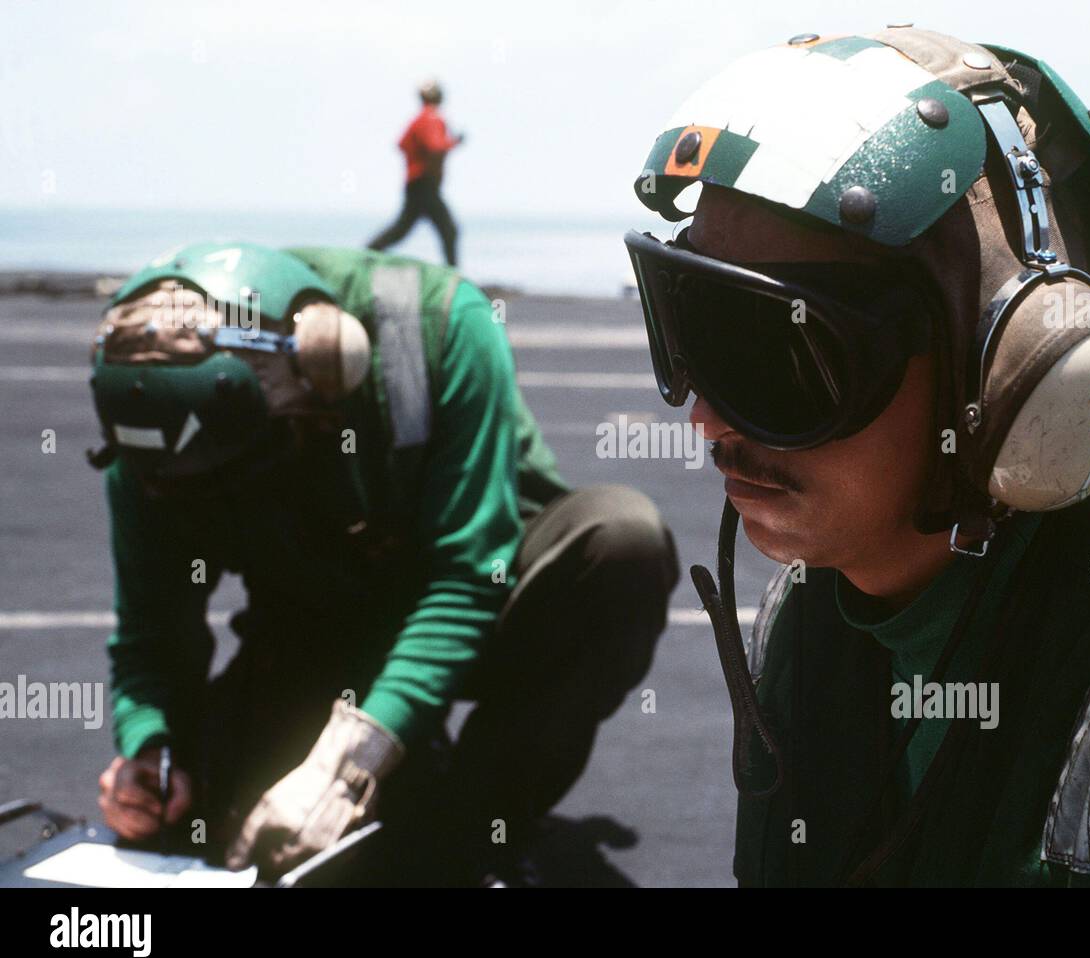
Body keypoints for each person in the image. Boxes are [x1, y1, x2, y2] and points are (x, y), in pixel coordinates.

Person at [624, 26, 1090, 886]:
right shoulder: (813, 620)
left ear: (1007, 363)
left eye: (778, 357)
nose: (707, 420)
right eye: (688, 331)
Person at [90, 241, 678, 885]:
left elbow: (466, 576)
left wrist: (351, 760)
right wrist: (151, 750)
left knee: (622, 542)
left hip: (480, 605)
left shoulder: (441, 327)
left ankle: (481, 819)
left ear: (325, 372)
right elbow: (151, 634)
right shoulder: (148, 421)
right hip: (313, 628)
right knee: (240, 836)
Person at [367, 80, 463, 265]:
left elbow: (402, 143)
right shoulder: (432, 118)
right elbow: (435, 146)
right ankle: (453, 275)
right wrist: (453, 143)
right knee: (448, 230)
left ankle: (369, 253)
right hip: (424, 183)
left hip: (417, 183)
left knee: (402, 229)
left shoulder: (419, 119)